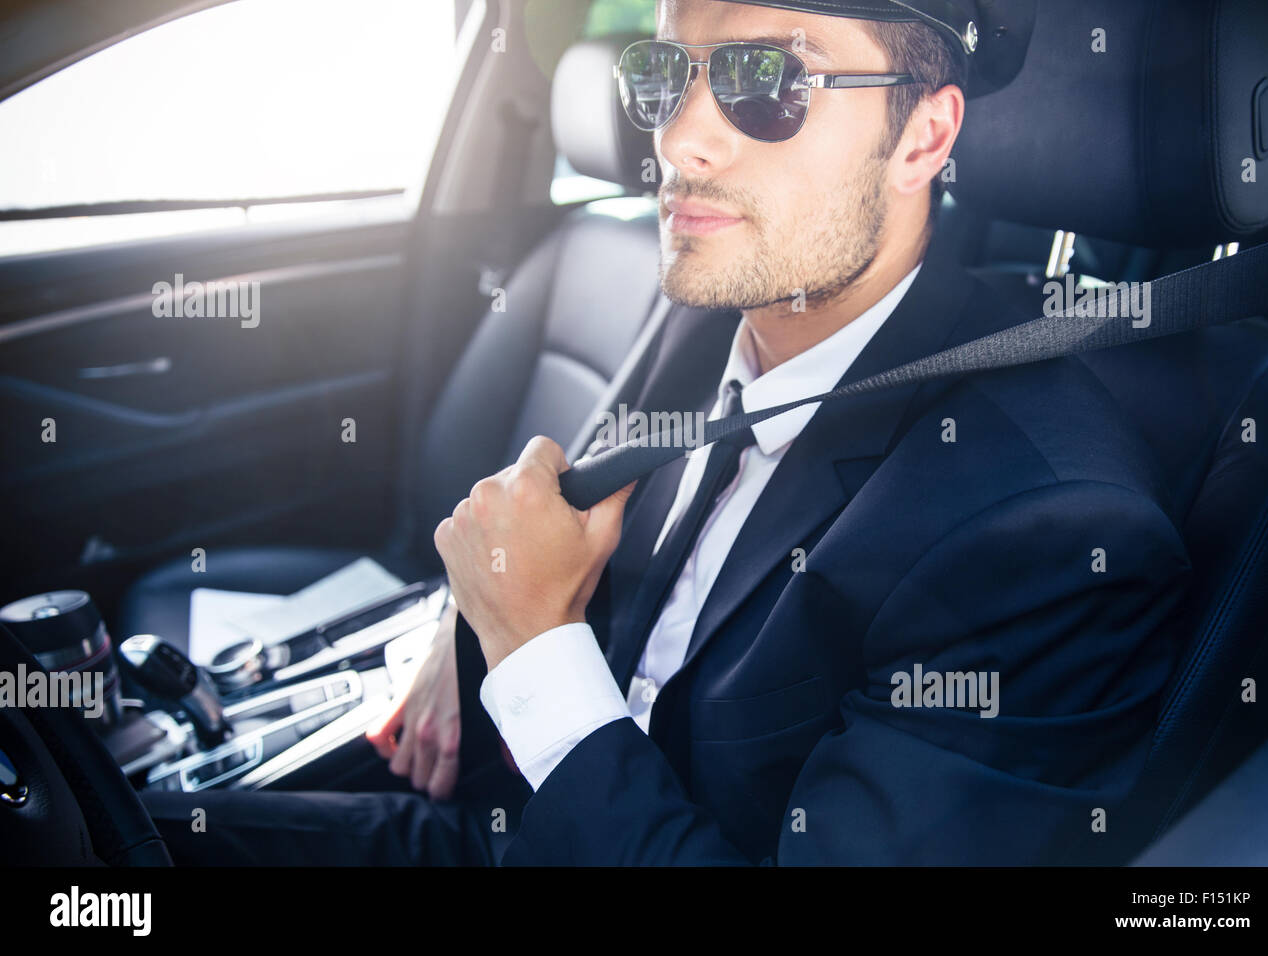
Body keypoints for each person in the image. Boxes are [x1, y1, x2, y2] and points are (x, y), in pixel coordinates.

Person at [144, 0, 1190, 865]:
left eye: (766, 80)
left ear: (922, 136)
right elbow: (562, 527)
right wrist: (463, 626)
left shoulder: (1049, 533)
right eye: (664, 74)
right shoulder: (715, 302)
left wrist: (530, 647)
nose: (678, 137)